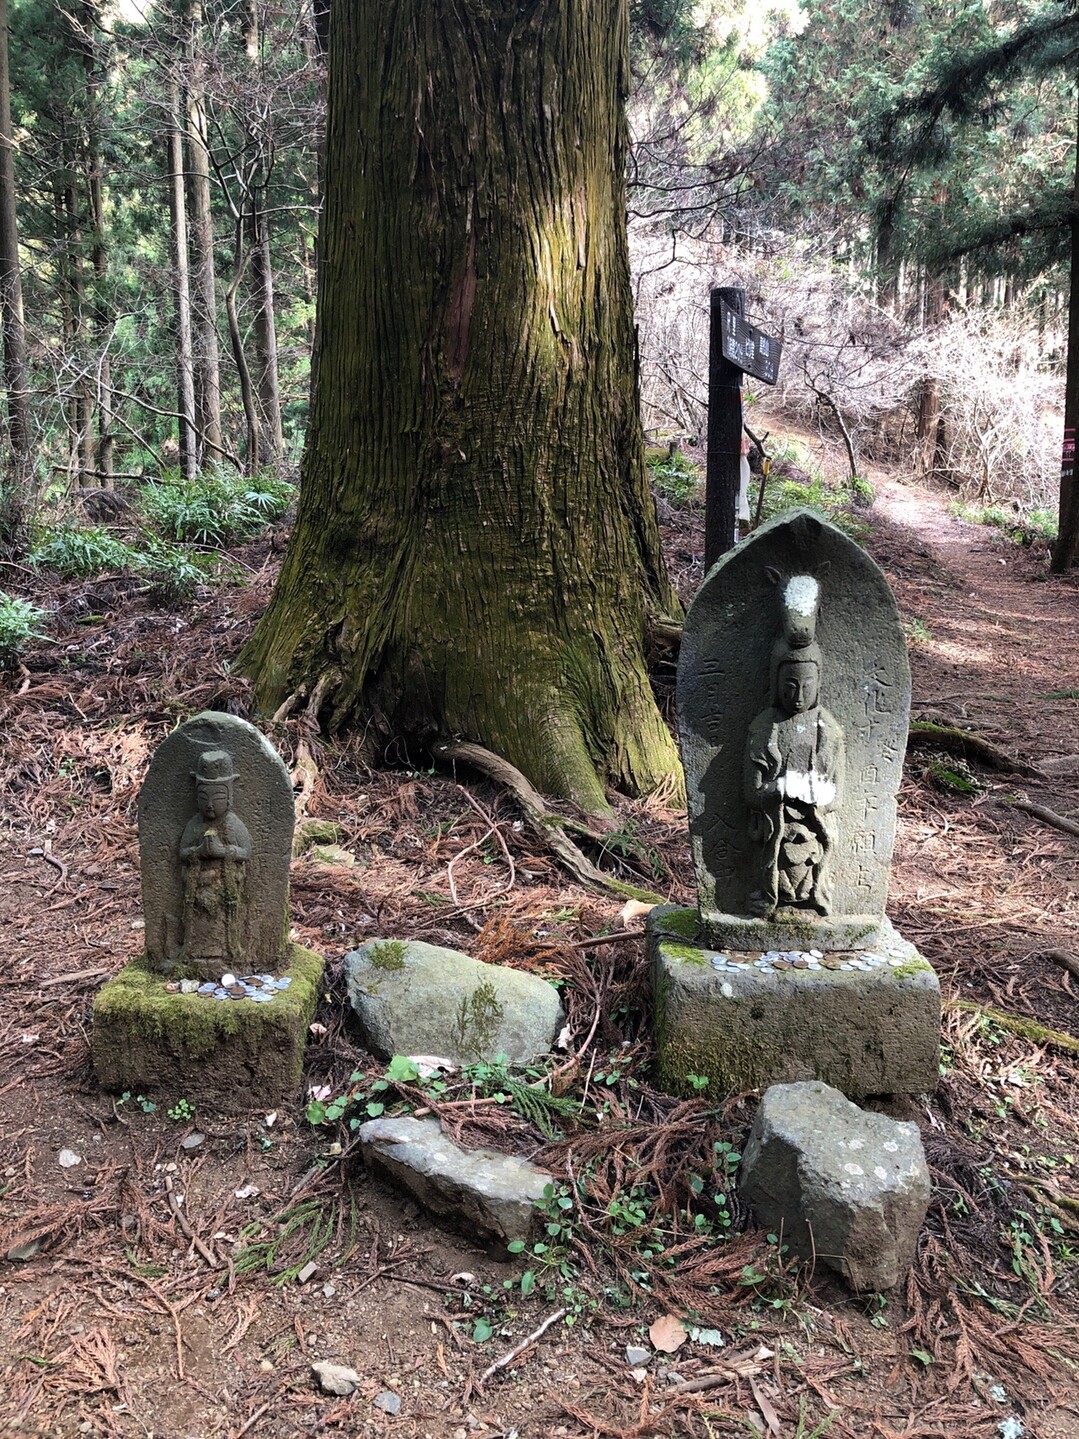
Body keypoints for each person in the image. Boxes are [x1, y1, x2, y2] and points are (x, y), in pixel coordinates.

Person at [744, 642, 843, 917]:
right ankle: (770, 897)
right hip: (774, 827)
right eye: (790, 686)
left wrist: (817, 794)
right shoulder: (765, 727)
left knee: (807, 865)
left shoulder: (829, 732)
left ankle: (813, 896)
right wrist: (780, 789)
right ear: (776, 684)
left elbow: (837, 797)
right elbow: (751, 792)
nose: (798, 696)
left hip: (813, 827)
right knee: (777, 867)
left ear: (818, 684)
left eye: (806, 687)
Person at [177, 749, 252, 971]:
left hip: (225, 886)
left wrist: (223, 851)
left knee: (223, 921)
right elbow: (183, 852)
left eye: (217, 798)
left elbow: (246, 851)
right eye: (204, 798)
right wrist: (198, 851)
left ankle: (227, 955)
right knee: (199, 921)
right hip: (199, 887)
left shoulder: (233, 824)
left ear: (229, 797)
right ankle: (195, 956)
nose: (209, 804)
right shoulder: (195, 824)